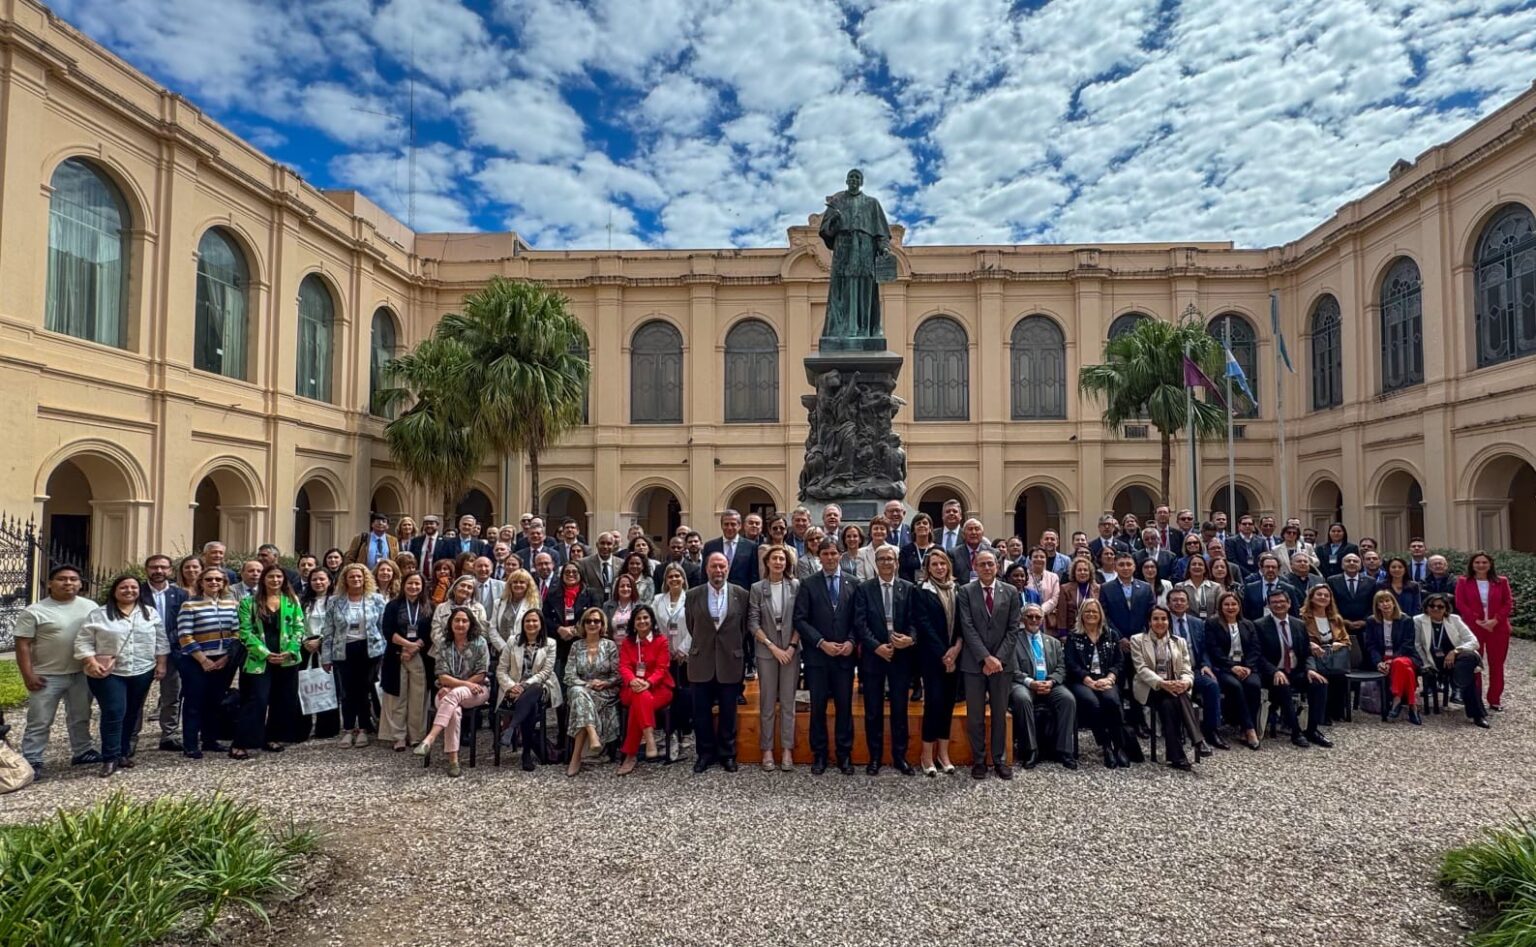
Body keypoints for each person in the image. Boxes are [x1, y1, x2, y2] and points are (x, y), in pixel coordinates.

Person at [77, 575, 168, 777]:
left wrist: (161, 663)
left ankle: (123, 753)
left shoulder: (149, 613)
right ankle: (110, 757)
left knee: (132, 712)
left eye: (133, 587)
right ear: (115, 590)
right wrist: (90, 661)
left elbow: (161, 640)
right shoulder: (99, 614)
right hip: (109, 672)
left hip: (142, 670)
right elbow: (83, 641)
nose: (129, 591)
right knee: (114, 712)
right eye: (124, 587)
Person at [793, 540, 858, 775]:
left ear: (840, 555)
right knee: (818, 707)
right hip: (818, 658)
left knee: (844, 707)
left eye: (834, 553)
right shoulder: (808, 584)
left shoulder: (853, 582)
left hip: (844, 656)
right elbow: (800, 619)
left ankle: (844, 755)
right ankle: (819, 754)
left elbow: (858, 619)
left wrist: (851, 641)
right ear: (818, 556)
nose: (830, 558)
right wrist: (821, 643)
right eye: (825, 554)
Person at [855, 544, 919, 775]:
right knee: (873, 710)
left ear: (897, 562)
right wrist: (876, 647)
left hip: (901, 657)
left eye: (890, 559)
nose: (886, 563)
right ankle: (875, 757)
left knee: (900, 709)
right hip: (874, 656)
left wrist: (910, 639)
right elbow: (860, 624)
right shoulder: (864, 589)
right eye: (881, 559)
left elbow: (915, 620)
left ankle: (900, 757)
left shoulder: (909, 588)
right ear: (875, 563)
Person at [957, 550, 1020, 781]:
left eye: (990, 564)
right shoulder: (965, 592)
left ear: (997, 566)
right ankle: (980, 760)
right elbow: (967, 626)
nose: (986, 568)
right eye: (981, 564)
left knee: (999, 714)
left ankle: (1000, 759)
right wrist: (985, 658)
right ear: (974, 566)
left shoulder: (1011, 592)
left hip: (1002, 666)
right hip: (974, 664)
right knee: (975, 716)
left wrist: (997, 660)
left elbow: (1014, 629)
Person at [230, 564, 304, 760]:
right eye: (271, 577)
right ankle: (241, 743)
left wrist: (291, 651)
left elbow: (299, 628)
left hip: (287, 659)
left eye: (279, 577)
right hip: (258, 660)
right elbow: (244, 632)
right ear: (263, 579)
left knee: (282, 700)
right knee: (256, 700)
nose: (275, 580)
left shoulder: (291, 601)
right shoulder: (249, 603)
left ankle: (273, 737)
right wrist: (265, 653)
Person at [1129, 604, 1208, 771]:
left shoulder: (1179, 642)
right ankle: (1198, 740)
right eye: (1155, 619)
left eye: (1164, 619)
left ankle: (1177, 756)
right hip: (1150, 687)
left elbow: (1187, 669)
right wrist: (1162, 683)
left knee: (1169, 703)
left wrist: (1186, 682)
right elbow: (1141, 669)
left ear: (1169, 621)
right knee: (1174, 698)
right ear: (1149, 622)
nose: (1160, 622)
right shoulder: (1137, 640)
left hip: (1175, 688)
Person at [414, 606, 490, 777]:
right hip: (445, 691)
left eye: (464, 621)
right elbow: (442, 676)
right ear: (450, 623)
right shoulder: (443, 644)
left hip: (477, 691)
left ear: (471, 624)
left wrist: (460, 686)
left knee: (454, 694)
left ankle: (430, 738)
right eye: (457, 620)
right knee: (454, 711)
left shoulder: (480, 643)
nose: (460, 624)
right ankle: (453, 761)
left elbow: (481, 674)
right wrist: (459, 685)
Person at [1253, 588, 1332, 749]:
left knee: (1320, 683)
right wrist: (1274, 671)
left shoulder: (1299, 624)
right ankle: (1296, 732)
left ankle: (1312, 730)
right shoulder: (1259, 625)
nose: (1279, 605)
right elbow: (1258, 656)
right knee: (1283, 686)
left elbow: (1307, 652)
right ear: (1268, 605)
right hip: (1273, 673)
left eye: (1282, 601)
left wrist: (1310, 669)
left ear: (1289, 604)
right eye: (1274, 602)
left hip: (1296, 671)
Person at [176, 568, 241, 759]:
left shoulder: (232, 604)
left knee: (215, 701)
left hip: (223, 659)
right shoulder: (190, 605)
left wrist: (226, 657)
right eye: (209, 579)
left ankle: (210, 739)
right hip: (196, 660)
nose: (214, 582)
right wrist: (202, 659)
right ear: (201, 582)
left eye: (218, 580)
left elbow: (236, 632)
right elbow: (185, 635)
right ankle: (190, 744)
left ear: (224, 583)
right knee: (194, 702)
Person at [322, 563, 387, 747]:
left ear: (365, 578)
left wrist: (386, 654)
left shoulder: (376, 599)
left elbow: (383, 628)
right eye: (352, 577)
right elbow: (328, 630)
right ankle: (349, 729)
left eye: (359, 576)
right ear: (345, 579)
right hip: (344, 650)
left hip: (371, 650)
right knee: (347, 692)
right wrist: (326, 657)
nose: (356, 580)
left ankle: (364, 728)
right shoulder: (335, 601)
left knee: (365, 690)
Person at [748, 546, 800, 772]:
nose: (778, 562)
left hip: (791, 650)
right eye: (774, 559)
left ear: (787, 563)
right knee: (767, 702)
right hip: (766, 651)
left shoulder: (796, 586)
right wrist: (772, 647)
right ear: (767, 563)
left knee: (788, 702)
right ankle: (767, 749)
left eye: (782, 559)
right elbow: (753, 622)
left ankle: (788, 749)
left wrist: (790, 646)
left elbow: (801, 618)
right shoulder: (757, 588)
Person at [1008, 602, 1078, 770]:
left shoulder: (1053, 642)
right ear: (1023, 619)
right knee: (1022, 698)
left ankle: (1064, 750)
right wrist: (1030, 682)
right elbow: (1012, 669)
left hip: (1049, 683)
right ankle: (1030, 750)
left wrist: (1051, 681)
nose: (1034, 620)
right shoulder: (1013, 640)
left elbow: (1062, 668)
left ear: (1043, 619)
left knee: (1068, 699)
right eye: (1030, 616)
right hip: (1024, 683)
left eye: (1038, 617)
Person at [913, 548, 962, 775]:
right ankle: (926, 755)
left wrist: (956, 650)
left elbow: (963, 624)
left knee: (948, 705)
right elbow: (924, 625)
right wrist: (945, 655)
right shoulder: (922, 591)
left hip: (955, 655)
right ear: (928, 568)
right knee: (933, 703)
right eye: (934, 564)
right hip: (933, 658)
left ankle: (943, 754)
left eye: (942, 563)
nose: (939, 568)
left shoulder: (958, 589)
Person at [1065, 598, 1129, 768]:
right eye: (1087, 611)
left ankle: (1119, 746)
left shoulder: (1111, 634)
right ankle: (1106, 744)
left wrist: (1110, 678)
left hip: (1106, 678)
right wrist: (1088, 680)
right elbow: (1071, 664)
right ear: (1081, 615)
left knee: (1112, 701)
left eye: (1094, 611)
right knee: (1092, 702)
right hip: (1082, 680)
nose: (1091, 614)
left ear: (1100, 614)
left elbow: (1119, 662)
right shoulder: (1074, 636)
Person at [497, 609, 563, 770]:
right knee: (531, 705)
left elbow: (545, 672)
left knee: (535, 688)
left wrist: (524, 686)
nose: (531, 624)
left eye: (535, 621)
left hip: (542, 687)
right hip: (513, 689)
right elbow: (501, 669)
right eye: (528, 621)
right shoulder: (513, 641)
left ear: (541, 624)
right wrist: (513, 686)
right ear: (523, 624)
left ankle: (512, 727)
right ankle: (526, 753)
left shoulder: (550, 643)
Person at [1414, 593, 1490, 728]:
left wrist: (1455, 651)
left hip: (1456, 661)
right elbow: (1418, 645)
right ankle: (1476, 713)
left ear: (1446, 608)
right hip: (1434, 662)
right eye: (1432, 606)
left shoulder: (1454, 619)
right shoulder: (1419, 620)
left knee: (1469, 657)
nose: (1436, 609)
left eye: (1440, 606)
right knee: (1468, 678)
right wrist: (1426, 664)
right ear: (1426, 607)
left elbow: (1474, 641)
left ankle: (1459, 684)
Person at [138, 554, 189, 753]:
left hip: (173, 652)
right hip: (143, 652)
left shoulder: (181, 594)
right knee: (137, 698)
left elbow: (184, 621)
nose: (158, 571)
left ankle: (168, 735)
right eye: (153, 567)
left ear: (170, 570)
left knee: (172, 696)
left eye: (163, 567)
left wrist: (171, 642)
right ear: (146, 570)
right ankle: (131, 737)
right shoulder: (137, 592)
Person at [1166, 588, 1227, 750]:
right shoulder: (1162, 621)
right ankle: (1178, 729)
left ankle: (1211, 730)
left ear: (1187, 604)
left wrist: (1206, 664)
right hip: (1171, 672)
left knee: (1212, 685)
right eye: (1175, 600)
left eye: (1182, 600)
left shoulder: (1198, 623)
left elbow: (1205, 648)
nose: (1178, 603)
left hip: (1195, 670)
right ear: (1168, 603)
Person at [616, 604, 673, 775]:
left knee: (639, 701)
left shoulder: (661, 640)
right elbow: (624, 666)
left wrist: (648, 682)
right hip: (632, 687)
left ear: (652, 620)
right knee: (640, 697)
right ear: (633, 623)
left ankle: (630, 755)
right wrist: (632, 680)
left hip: (659, 688)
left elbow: (662, 668)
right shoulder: (627, 643)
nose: (642, 621)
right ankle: (650, 740)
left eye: (645, 618)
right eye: (638, 618)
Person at [380, 572, 434, 750]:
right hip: (397, 654)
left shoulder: (428, 606)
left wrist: (415, 647)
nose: (413, 587)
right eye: (410, 583)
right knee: (398, 696)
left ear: (422, 586)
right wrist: (406, 645)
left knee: (418, 697)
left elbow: (430, 633)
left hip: (420, 655)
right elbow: (387, 630)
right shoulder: (393, 606)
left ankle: (416, 735)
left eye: (417, 584)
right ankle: (398, 736)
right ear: (404, 585)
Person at [564, 607, 621, 776]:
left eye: (597, 621)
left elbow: (617, 675)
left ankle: (576, 757)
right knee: (578, 692)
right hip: (583, 688)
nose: (592, 624)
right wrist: (587, 684)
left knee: (579, 697)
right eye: (588, 621)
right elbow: (568, 675)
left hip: (605, 691)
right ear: (583, 624)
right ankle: (592, 734)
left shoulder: (610, 645)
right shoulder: (576, 646)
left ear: (602, 625)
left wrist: (604, 682)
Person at [1205, 591, 1262, 750]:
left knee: (1254, 685)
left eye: (1234, 604)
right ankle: (1249, 729)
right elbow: (1214, 650)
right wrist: (1232, 666)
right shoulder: (1213, 624)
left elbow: (1255, 648)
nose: (1230, 607)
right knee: (1235, 686)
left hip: (1247, 667)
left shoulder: (1248, 624)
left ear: (1239, 606)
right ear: (1220, 607)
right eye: (1227, 604)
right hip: (1223, 668)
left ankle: (1246, 728)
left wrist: (1248, 667)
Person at [1456, 552, 1513, 712]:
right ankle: (1475, 698)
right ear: (1472, 565)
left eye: (1484, 562)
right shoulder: (1463, 581)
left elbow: (1508, 603)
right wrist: (1477, 620)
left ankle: (1494, 699)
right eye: (1477, 562)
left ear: (1490, 564)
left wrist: (1495, 620)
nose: (1481, 565)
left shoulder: (1501, 581)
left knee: (1497, 664)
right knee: (1474, 664)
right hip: (1474, 628)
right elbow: (1461, 603)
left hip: (1498, 628)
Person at [652, 562, 693, 759]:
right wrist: (664, 649)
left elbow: (695, 626)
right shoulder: (658, 600)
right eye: (671, 577)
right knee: (667, 694)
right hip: (664, 656)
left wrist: (683, 649)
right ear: (666, 580)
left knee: (684, 695)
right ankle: (669, 733)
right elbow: (654, 626)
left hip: (685, 655)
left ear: (683, 579)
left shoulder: (691, 599)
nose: (674, 579)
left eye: (678, 576)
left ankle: (685, 732)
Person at [1363, 590, 1421, 725]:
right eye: (1381, 602)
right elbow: (1371, 646)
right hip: (1382, 658)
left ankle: (1396, 700)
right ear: (1377, 606)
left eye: (1388, 601)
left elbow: (1407, 644)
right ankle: (1413, 706)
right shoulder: (1372, 621)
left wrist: (1391, 660)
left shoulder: (1406, 620)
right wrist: (1378, 662)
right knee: (1407, 671)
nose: (1385, 604)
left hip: (1405, 655)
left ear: (1394, 603)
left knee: (1400, 663)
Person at [1298, 584, 1352, 722]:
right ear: (1311, 597)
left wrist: (1339, 644)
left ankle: (1335, 713)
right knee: (1322, 677)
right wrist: (1311, 645)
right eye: (1319, 594)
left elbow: (1347, 641)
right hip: (1312, 659)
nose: (1323, 597)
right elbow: (1298, 640)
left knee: (1339, 676)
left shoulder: (1336, 618)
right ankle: (1321, 715)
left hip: (1333, 659)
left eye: (1326, 595)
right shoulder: (1302, 617)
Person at [298, 568, 341, 742]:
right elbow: (297, 623)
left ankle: (327, 728)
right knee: (305, 686)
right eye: (314, 579)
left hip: (327, 647)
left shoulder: (337, 601)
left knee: (327, 687)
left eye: (322, 579)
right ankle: (302, 728)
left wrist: (321, 640)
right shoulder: (303, 601)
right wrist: (304, 641)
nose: (318, 582)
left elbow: (338, 624)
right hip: (306, 647)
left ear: (329, 581)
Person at [1054, 556, 1099, 639]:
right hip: (1072, 631)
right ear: (1074, 572)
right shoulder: (1065, 588)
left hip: (1094, 631)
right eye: (1079, 570)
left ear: (1090, 573)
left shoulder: (1098, 589)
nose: (1082, 572)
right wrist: (1063, 633)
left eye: (1085, 570)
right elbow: (1062, 613)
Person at [1174, 555, 1219, 620]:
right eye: (1194, 564)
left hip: (1211, 626)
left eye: (1200, 564)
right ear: (1189, 568)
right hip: (1189, 624)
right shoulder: (1180, 587)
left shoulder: (1216, 587)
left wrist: (1209, 623)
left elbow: (1219, 610)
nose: (1197, 566)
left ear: (1205, 569)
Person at [1024, 547, 1061, 626]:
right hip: (1028, 618)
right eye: (1035, 557)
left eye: (1042, 557)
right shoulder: (1024, 575)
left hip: (1047, 619)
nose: (1039, 559)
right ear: (1030, 560)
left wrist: (1040, 611)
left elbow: (1055, 599)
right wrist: (1032, 612)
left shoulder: (1053, 577)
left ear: (1046, 559)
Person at [898, 512, 938, 584]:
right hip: (911, 590)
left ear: (930, 528)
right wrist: (913, 587)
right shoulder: (905, 550)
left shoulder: (939, 550)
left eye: (925, 523)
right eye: (918, 523)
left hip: (935, 589)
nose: (921, 525)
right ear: (914, 529)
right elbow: (902, 572)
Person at [605, 573, 643, 640]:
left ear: (633, 588)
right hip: (613, 647)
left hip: (633, 646)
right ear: (617, 588)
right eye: (622, 586)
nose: (625, 589)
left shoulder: (640, 606)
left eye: (628, 586)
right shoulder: (607, 606)